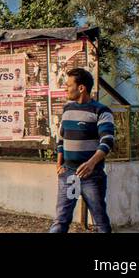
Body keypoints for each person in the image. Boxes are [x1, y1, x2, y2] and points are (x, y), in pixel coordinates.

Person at [49, 67, 114, 233]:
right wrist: (59, 164)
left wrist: (91, 164)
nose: (66, 88)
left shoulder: (101, 111)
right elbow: (61, 139)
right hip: (69, 175)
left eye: (69, 85)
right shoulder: (67, 109)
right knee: (61, 221)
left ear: (81, 88)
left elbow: (107, 142)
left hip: (91, 177)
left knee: (100, 222)